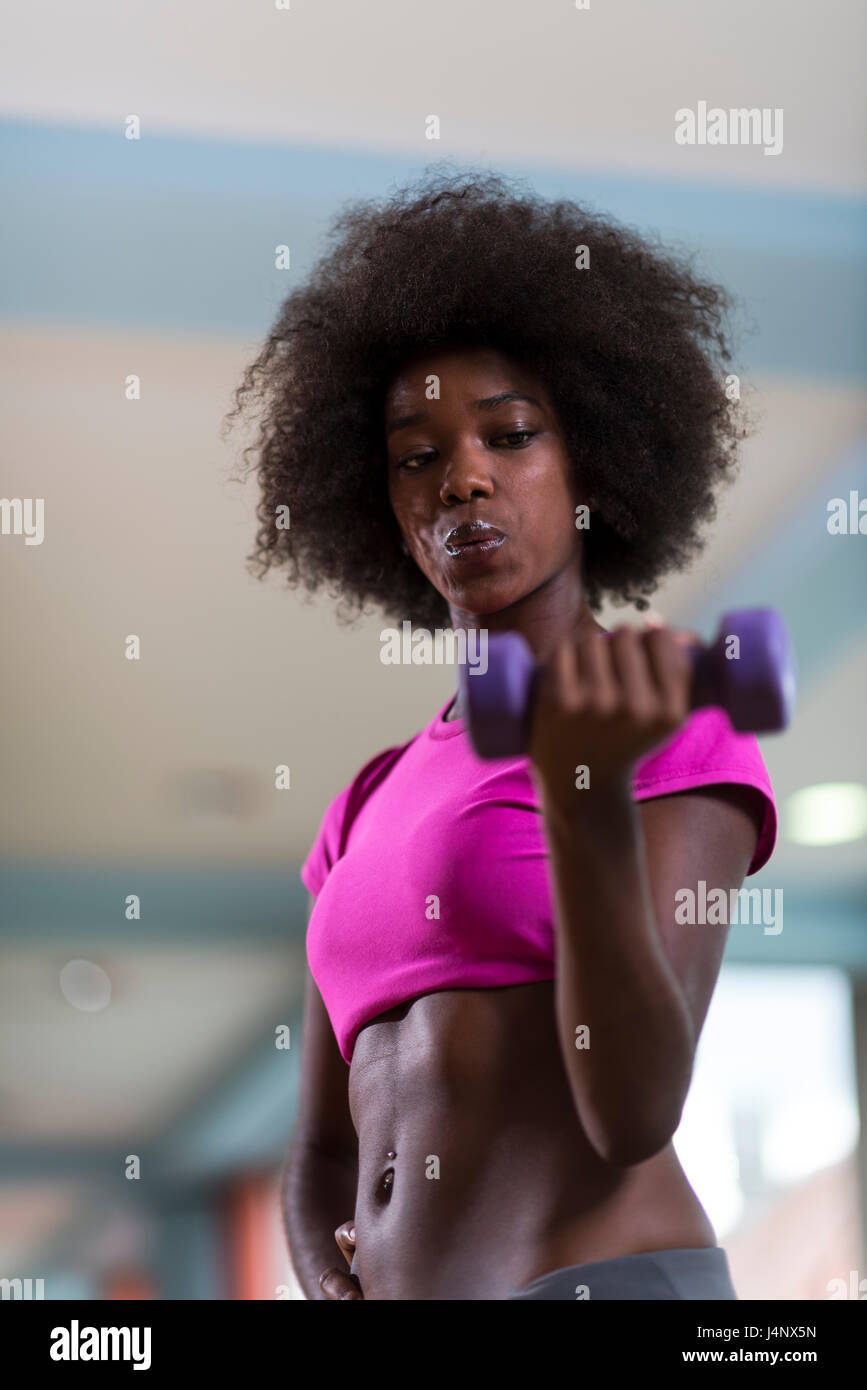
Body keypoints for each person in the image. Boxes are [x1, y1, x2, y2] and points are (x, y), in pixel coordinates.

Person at [224, 167, 777, 1300]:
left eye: (510, 435)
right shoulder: (364, 804)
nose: (462, 477)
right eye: (416, 456)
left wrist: (581, 796)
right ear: (384, 507)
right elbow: (322, 1152)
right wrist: (333, 1286)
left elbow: (630, 1112)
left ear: (591, 467)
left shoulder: (678, 728)